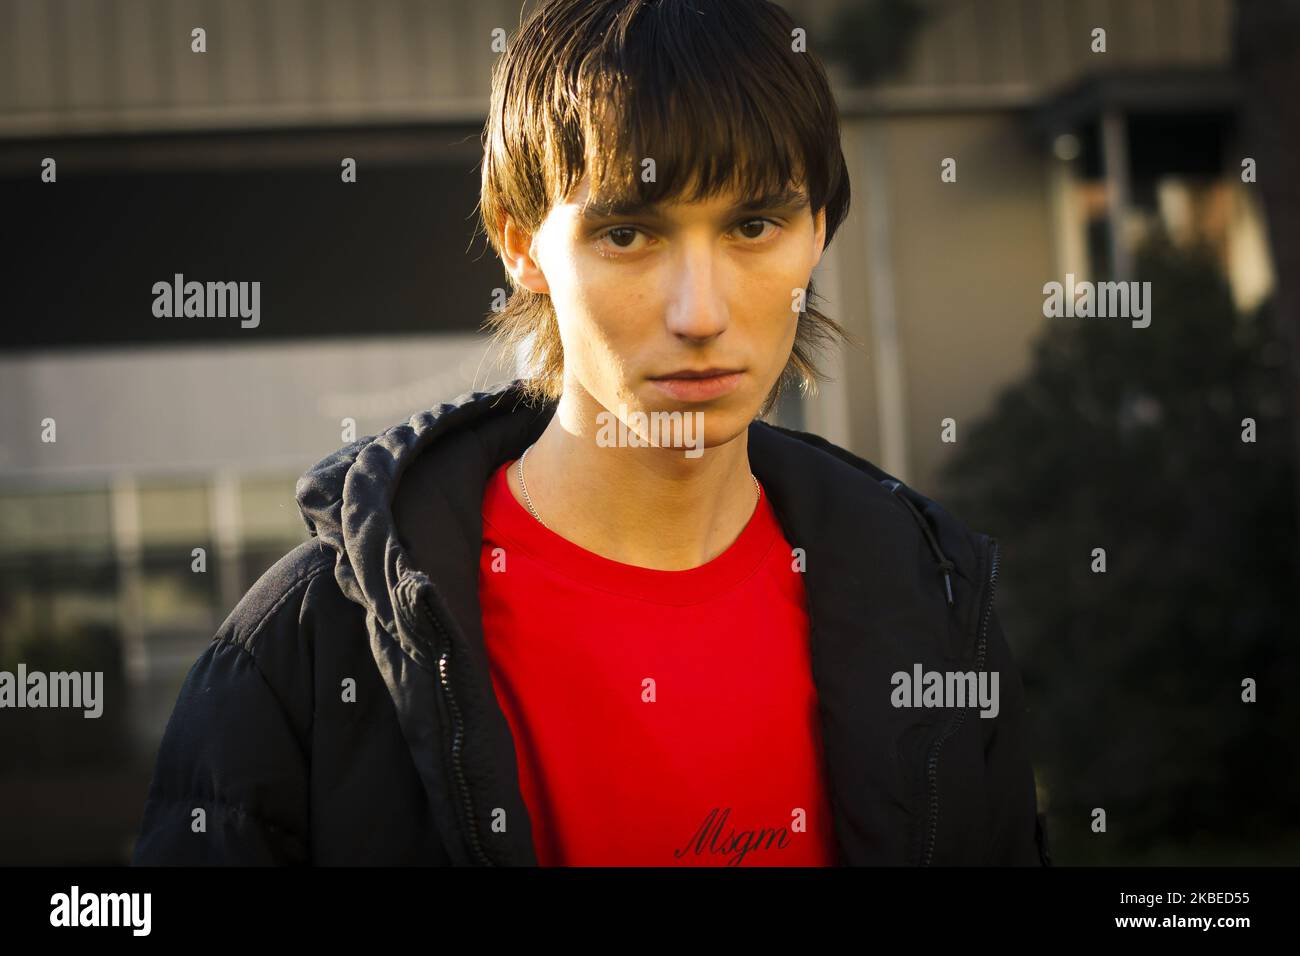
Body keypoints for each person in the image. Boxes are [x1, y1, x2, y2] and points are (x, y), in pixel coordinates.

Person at [131, 0, 1049, 866]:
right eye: (628, 234)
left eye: (754, 225)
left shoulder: (931, 605)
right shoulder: (315, 640)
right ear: (521, 244)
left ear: (817, 233)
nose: (700, 311)